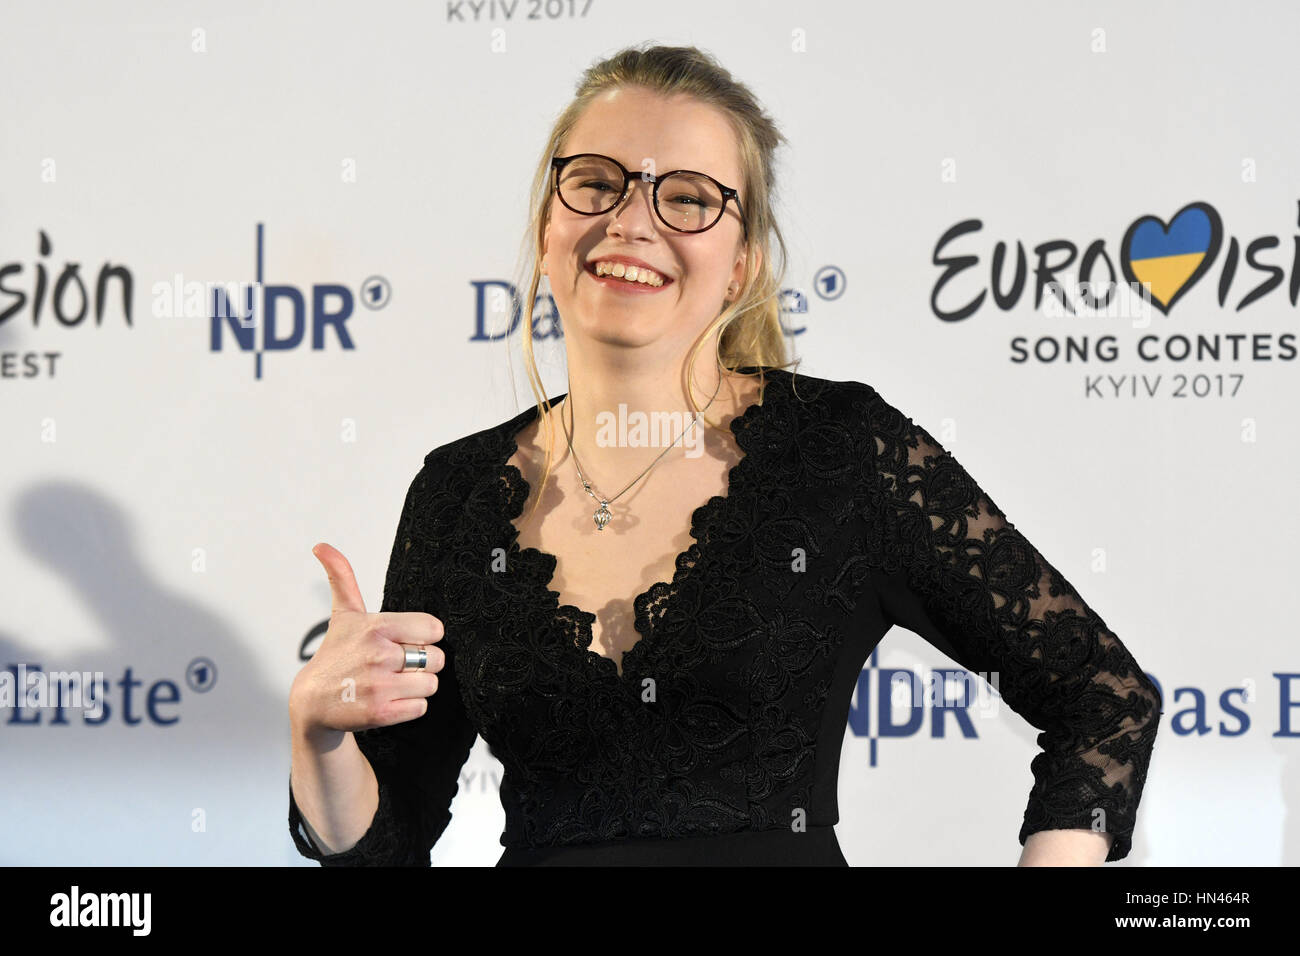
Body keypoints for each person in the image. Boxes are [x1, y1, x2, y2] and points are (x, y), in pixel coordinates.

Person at [287, 43, 1162, 867]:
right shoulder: (457, 493)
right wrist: (317, 733)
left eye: (688, 198)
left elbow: (1106, 699)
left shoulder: (841, 450)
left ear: (741, 263)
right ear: (548, 226)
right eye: (596, 183)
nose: (631, 222)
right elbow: (388, 842)